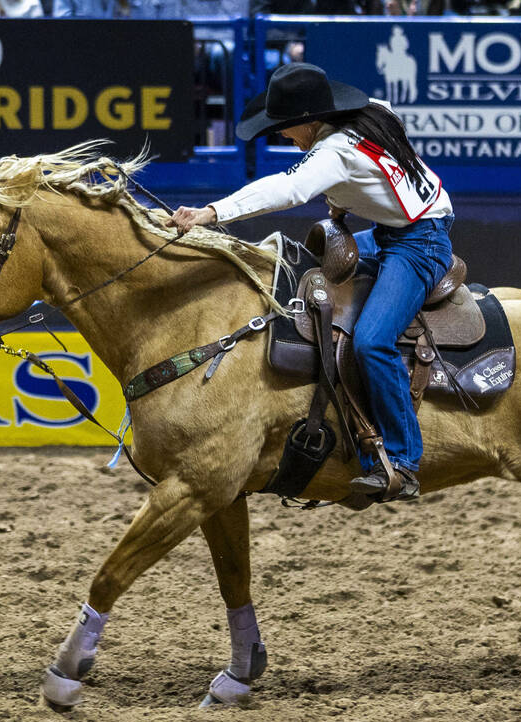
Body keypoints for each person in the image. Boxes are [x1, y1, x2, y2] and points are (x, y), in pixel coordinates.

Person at [169, 62, 454, 502]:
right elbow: (384, 168)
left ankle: (402, 460)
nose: (283, 135)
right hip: (395, 229)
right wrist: (344, 201)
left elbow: (289, 189)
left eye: (285, 127)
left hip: (419, 242)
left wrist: (211, 213)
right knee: (303, 269)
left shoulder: (337, 151)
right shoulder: (373, 112)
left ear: (308, 120)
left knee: (372, 341)